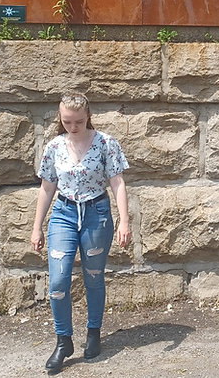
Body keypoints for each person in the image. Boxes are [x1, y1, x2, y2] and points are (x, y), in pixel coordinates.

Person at [30, 92, 131, 373]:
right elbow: (47, 187)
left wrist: (124, 221)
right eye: (66, 122)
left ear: (88, 117)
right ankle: (63, 341)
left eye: (78, 122)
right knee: (58, 282)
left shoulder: (106, 144)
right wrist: (37, 227)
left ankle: (93, 332)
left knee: (94, 277)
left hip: (96, 214)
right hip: (63, 213)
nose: (72, 127)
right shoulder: (54, 147)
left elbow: (118, 182)